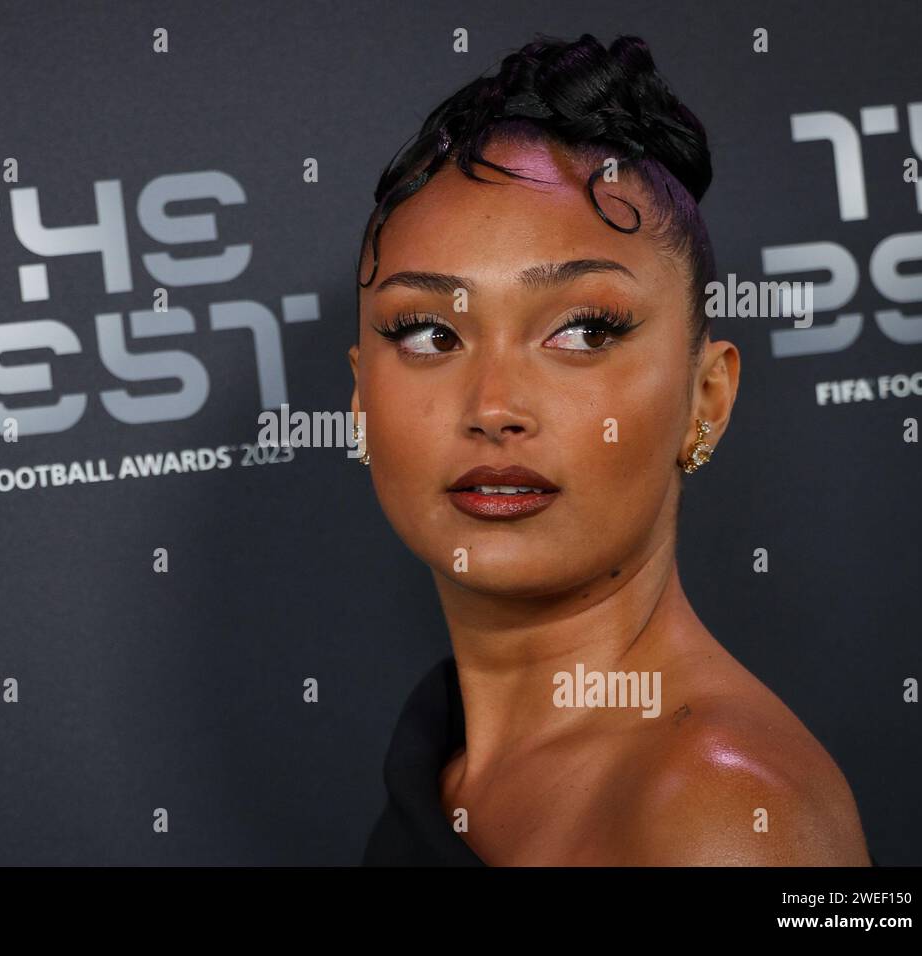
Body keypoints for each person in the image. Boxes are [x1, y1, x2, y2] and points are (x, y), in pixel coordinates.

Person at [351, 32, 874, 866]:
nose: (493, 408)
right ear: (358, 399)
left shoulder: (724, 813)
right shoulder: (447, 753)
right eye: (427, 333)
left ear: (707, 398)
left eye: (584, 331)